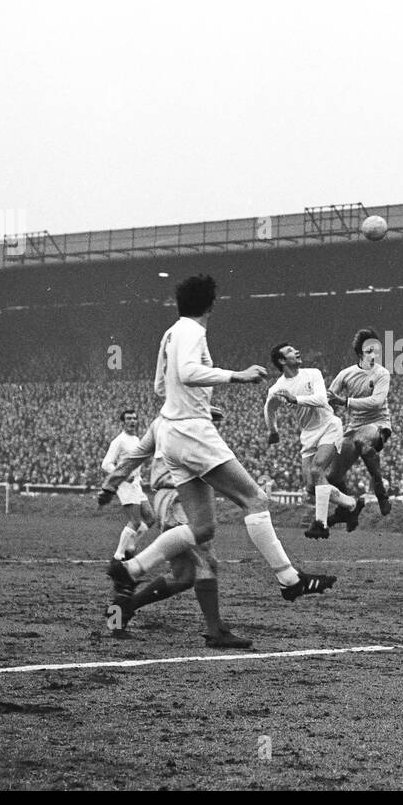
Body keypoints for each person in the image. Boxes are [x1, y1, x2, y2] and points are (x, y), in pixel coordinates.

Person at [105, 275, 336, 612]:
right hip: (192, 432)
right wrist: (236, 376)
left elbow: (160, 387)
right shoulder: (193, 332)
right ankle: (289, 579)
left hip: (170, 432)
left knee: (201, 527)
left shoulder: (170, 333)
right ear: (210, 303)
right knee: (255, 499)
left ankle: (129, 569)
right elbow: (186, 373)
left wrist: (195, 402)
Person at [98, 407, 250, 648]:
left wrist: (110, 485)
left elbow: (136, 455)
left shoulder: (160, 422)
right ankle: (215, 631)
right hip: (180, 497)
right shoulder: (184, 422)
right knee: (205, 560)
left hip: (167, 497)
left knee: (184, 576)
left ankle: (124, 608)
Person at [265, 342, 365, 539]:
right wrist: (273, 430)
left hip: (329, 425)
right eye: (291, 351)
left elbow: (322, 399)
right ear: (282, 360)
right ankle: (352, 505)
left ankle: (321, 524)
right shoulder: (277, 388)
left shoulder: (313, 373)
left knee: (316, 469)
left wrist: (296, 399)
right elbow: (269, 408)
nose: (297, 351)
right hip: (308, 434)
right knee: (311, 486)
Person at [327, 329, 394, 515]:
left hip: (379, 425)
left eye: (376, 350)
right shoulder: (346, 374)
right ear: (359, 353)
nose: (374, 355)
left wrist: (345, 401)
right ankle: (352, 504)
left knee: (362, 441)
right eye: (369, 351)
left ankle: (381, 492)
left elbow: (377, 402)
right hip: (353, 428)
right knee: (332, 476)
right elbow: (328, 398)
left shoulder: (382, 374)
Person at [101, 408, 149, 561]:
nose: (132, 421)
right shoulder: (119, 441)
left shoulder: (136, 439)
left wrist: (138, 476)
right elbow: (106, 464)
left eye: (134, 418)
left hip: (136, 483)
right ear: (122, 423)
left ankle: (130, 547)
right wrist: (122, 475)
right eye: (128, 419)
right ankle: (118, 556)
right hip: (125, 484)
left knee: (151, 518)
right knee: (135, 521)